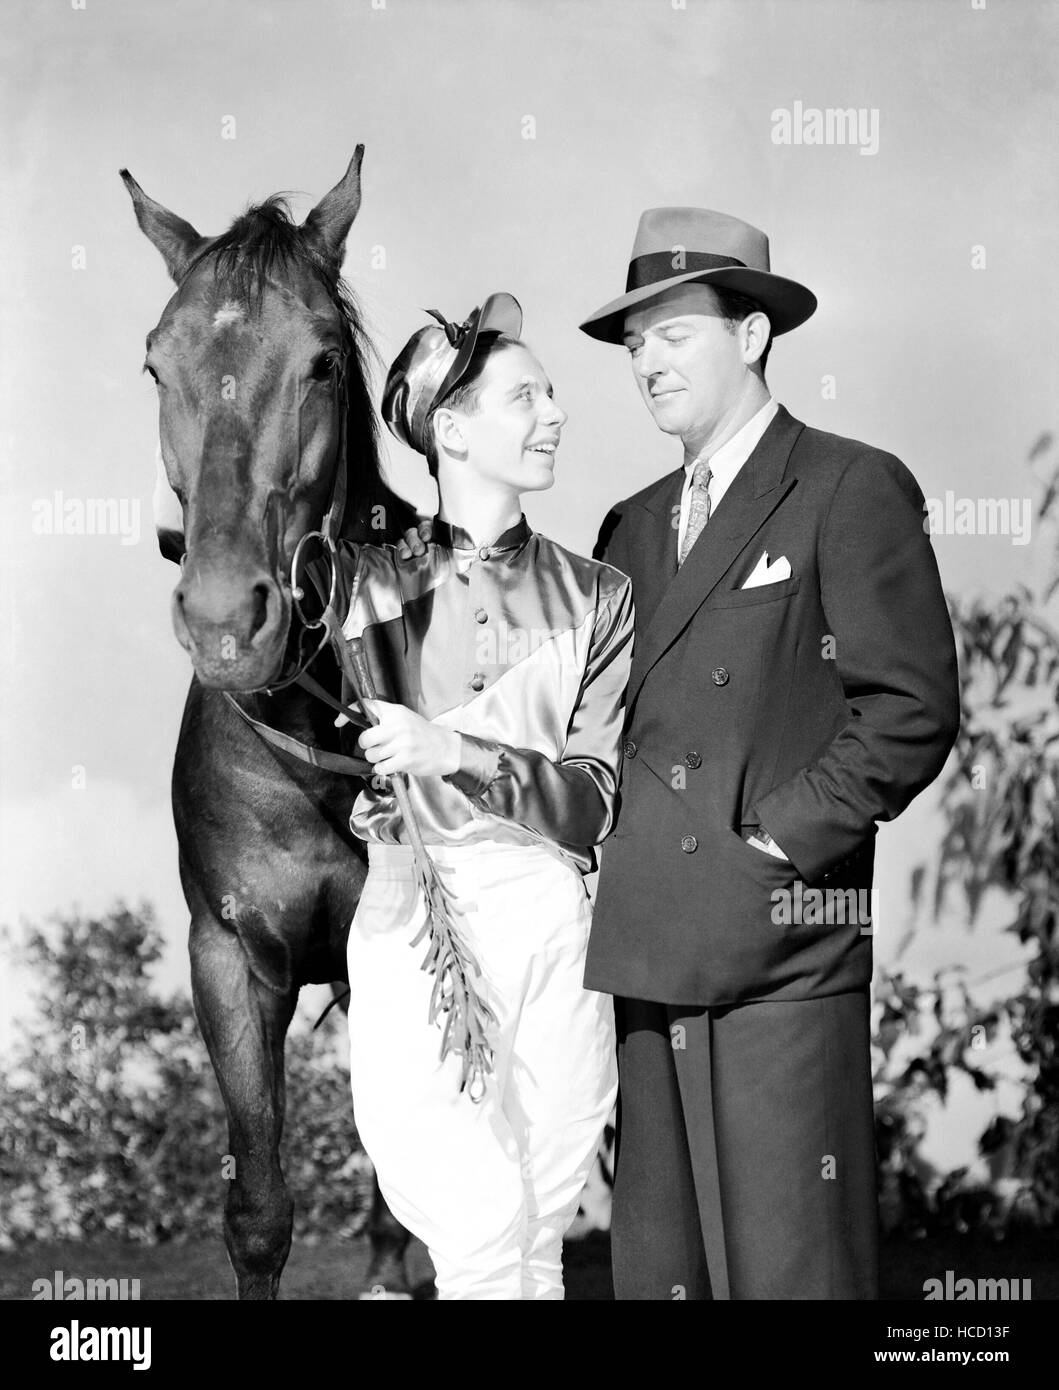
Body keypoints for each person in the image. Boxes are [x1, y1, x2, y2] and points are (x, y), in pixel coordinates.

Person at [568, 207, 961, 1299]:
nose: (647, 358)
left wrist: (771, 843)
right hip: (649, 958)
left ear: (752, 336)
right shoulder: (627, 528)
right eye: (633, 339)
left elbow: (911, 709)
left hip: (787, 953)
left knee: (793, 1278)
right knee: (666, 1281)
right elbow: (597, 737)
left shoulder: (849, 484)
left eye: (674, 330)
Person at [332, 293, 633, 1300]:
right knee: (476, 1223)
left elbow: (592, 805)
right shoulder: (359, 587)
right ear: (450, 429)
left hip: (552, 924)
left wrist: (447, 747)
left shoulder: (602, 595)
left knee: (537, 1224)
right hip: (414, 926)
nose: (554, 413)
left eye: (551, 394)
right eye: (524, 397)